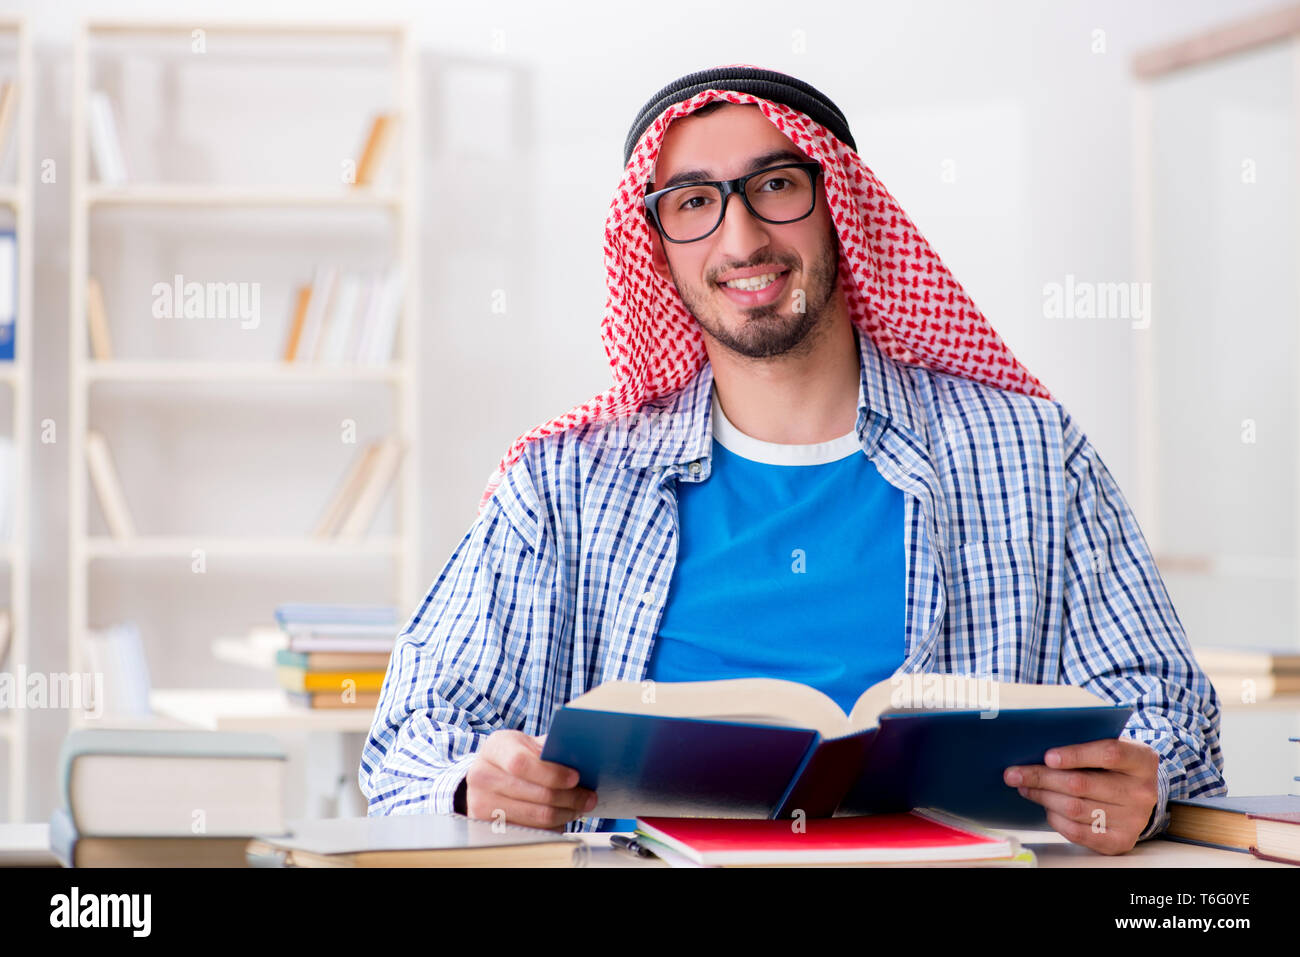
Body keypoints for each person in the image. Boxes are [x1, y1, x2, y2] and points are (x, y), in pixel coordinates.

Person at [359, 65, 1225, 854]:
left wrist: (1138, 788)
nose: (740, 241)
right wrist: (474, 783)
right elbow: (408, 741)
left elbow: (1172, 715)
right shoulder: (563, 487)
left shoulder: (1034, 456)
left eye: (775, 186)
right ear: (655, 243)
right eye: (694, 202)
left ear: (841, 206)